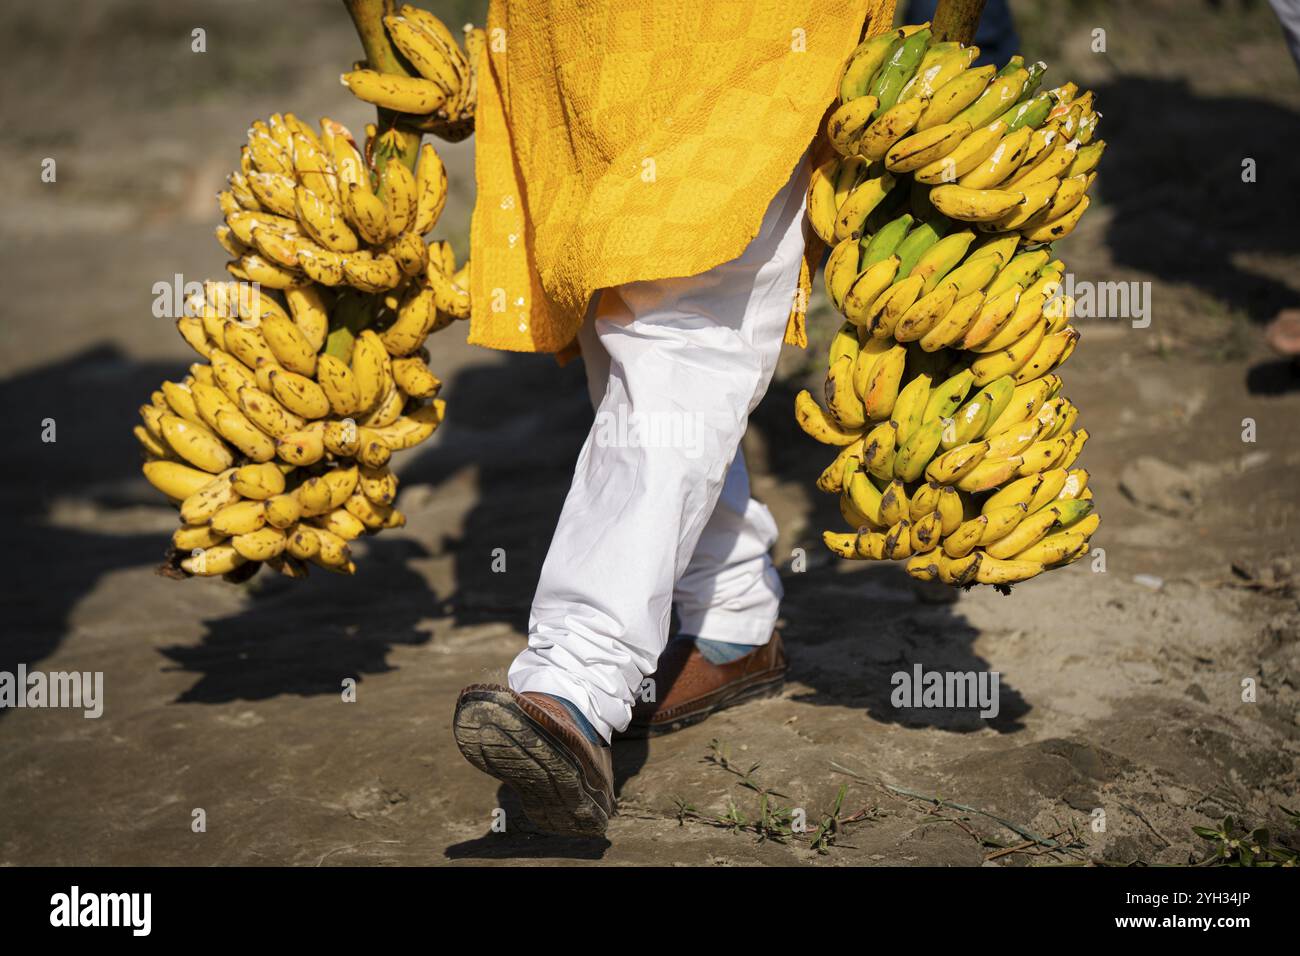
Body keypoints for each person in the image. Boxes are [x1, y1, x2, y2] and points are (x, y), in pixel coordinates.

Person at [452, 0, 889, 837]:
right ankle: (728, 611)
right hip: (573, 36)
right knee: (617, 314)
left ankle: (577, 678)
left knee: (682, 327)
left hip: (734, 30)